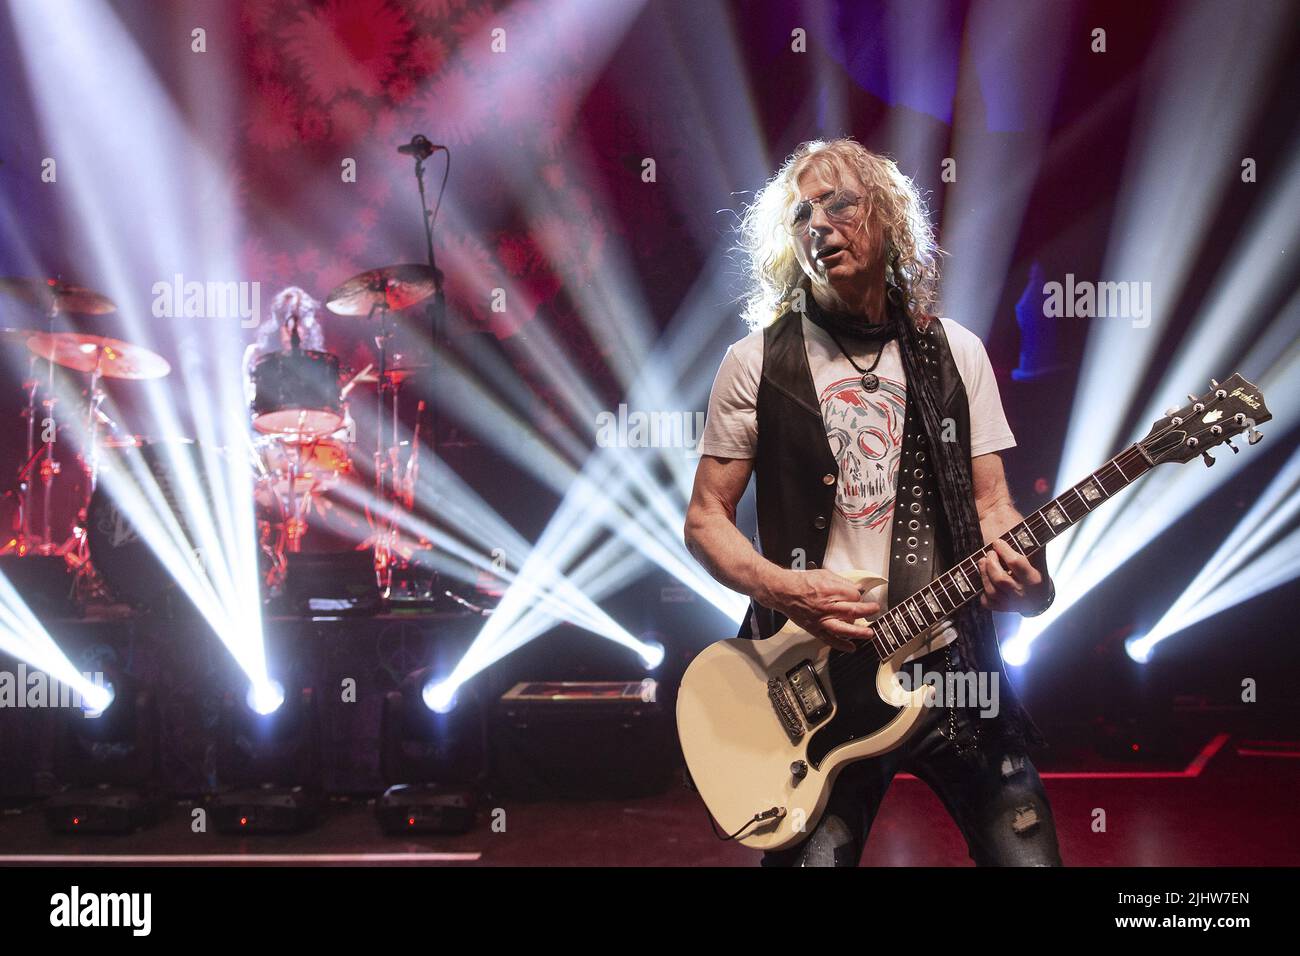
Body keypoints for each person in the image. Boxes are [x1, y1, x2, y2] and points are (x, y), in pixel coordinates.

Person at [683, 138, 1063, 866]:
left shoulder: (955, 351)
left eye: (840, 205)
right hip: (820, 686)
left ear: (887, 217)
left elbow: (994, 507)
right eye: (801, 215)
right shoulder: (757, 360)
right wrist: (780, 586)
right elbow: (706, 518)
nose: (819, 225)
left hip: (953, 668)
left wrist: (1022, 564)